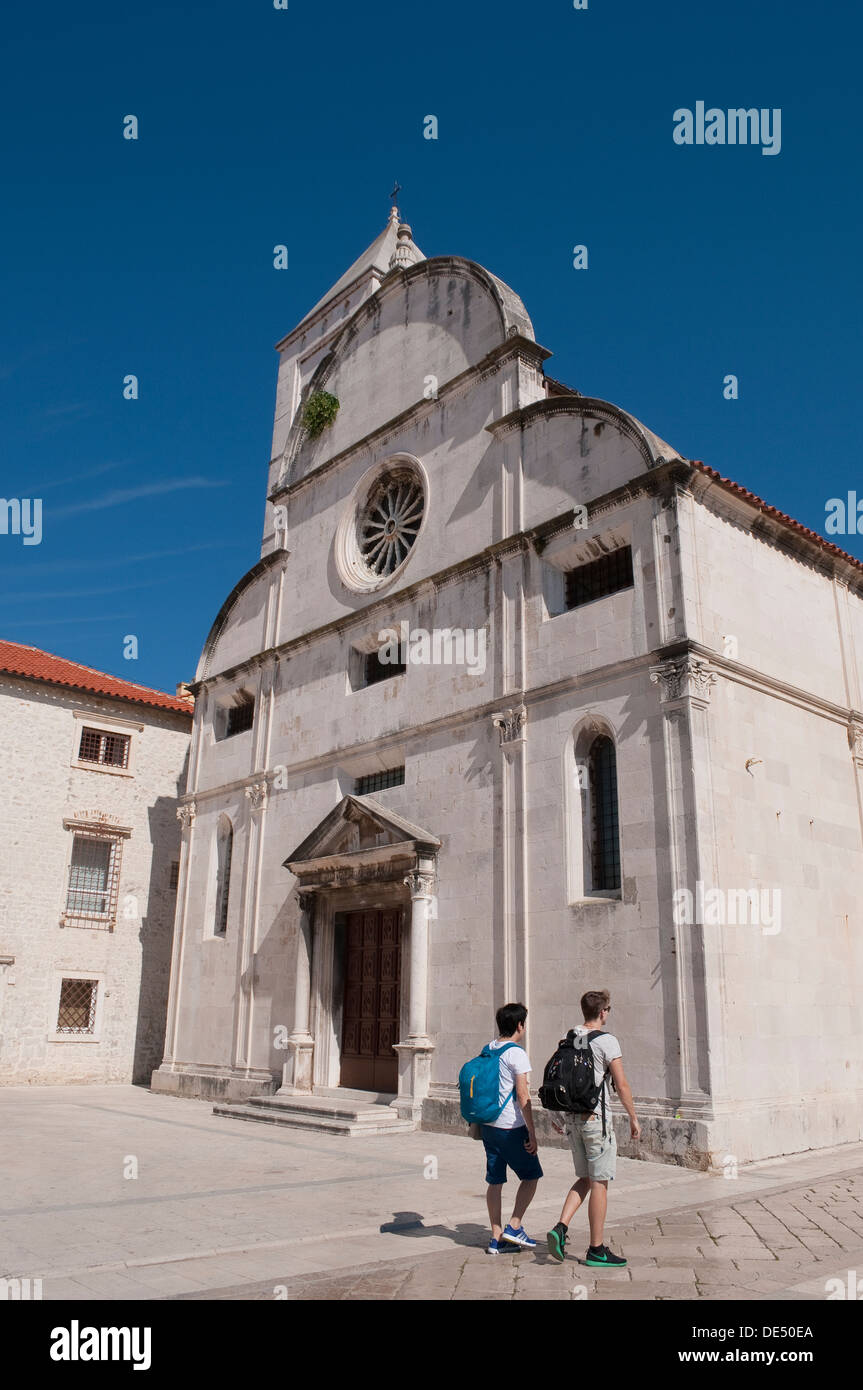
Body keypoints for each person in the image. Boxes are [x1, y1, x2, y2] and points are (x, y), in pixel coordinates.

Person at [546, 989, 640, 1267]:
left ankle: (560, 1227)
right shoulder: (607, 1042)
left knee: (585, 1178)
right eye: (608, 1009)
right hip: (595, 1121)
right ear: (603, 1012)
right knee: (600, 1182)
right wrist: (634, 1117)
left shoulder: (570, 1037)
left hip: (573, 1120)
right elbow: (621, 1084)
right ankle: (596, 1249)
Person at [481, 1002, 543, 1255]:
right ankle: (514, 1226)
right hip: (510, 1125)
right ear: (519, 1025)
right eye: (524, 1022)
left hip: (489, 1125)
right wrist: (532, 1130)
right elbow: (523, 1094)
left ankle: (496, 1237)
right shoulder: (516, 1052)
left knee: (495, 1181)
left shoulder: (488, 1048)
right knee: (531, 1176)